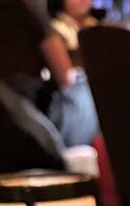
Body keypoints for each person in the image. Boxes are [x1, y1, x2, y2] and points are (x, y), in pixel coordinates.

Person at [0, 0, 99, 162]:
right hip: (29, 121)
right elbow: (64, 74)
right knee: (90, 90)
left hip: (10, 116)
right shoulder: (29, 4)